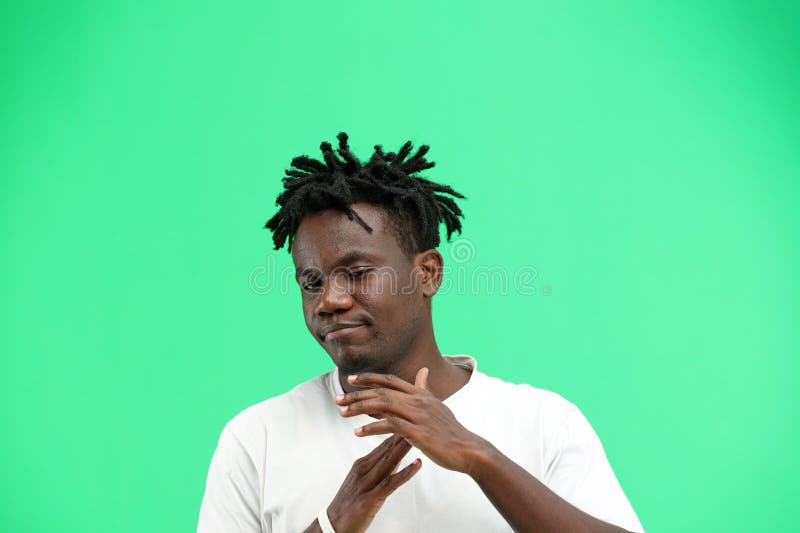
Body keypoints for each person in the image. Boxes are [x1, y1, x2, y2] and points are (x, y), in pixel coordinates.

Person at [197, 133, 645, 533]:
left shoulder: (543, 424)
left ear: (427, 273)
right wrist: (331, 528)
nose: (328, 300)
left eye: (356, 272)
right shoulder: (258, 438)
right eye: (311, 281)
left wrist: (478, 457)